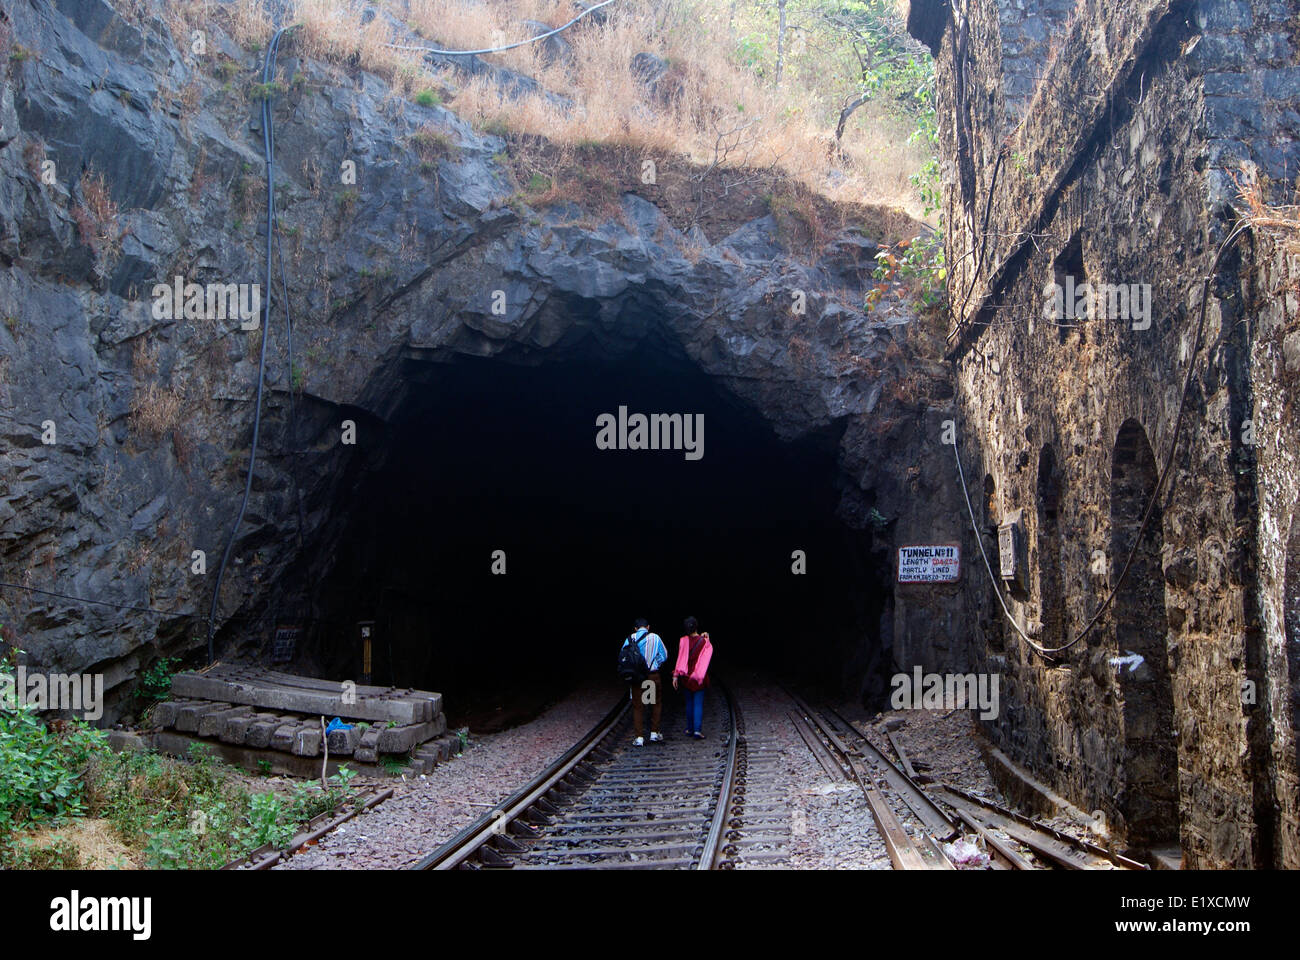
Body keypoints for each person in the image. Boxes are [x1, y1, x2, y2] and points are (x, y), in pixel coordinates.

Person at [623, 618, 667, 746]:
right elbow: (664, 655)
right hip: (652, 676)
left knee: (638, 706)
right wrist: (654, 664)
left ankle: (639, 738)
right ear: (648, 627)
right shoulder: (655, 637)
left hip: (637, 678)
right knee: (654, 703)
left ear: (635, 629)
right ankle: (654, 733)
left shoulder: (630, 638)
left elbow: (623, 656)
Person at [672, 617, 712, 739]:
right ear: (697, 626)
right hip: (699, 677)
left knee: (689, 703)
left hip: (686, 677)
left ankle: (690, 729)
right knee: (698, 704)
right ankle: (697, 731)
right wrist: (706, 637)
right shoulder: (704, 641)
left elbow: (680, 658)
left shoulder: (683, 641)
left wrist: (675, 676)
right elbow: (707, 654)